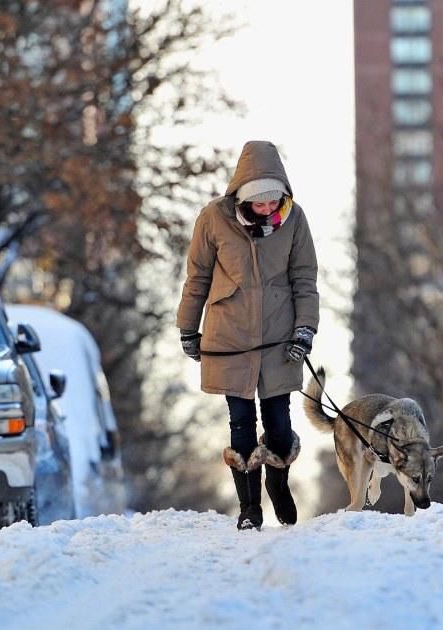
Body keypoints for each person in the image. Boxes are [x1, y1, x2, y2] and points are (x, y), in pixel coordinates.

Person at [176, 140, 319, 530]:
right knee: (240, 421)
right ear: (242, 196)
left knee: (278, 424)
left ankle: (278, 484)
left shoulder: (295, 219)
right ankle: (249, 508)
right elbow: (198, 277)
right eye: (260, 202)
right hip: (230, 336)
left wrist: (304, 329)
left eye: (274, 200)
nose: (269, 208)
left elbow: (304, 279)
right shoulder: (213, 218)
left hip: (278, 338)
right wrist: (188, 327)